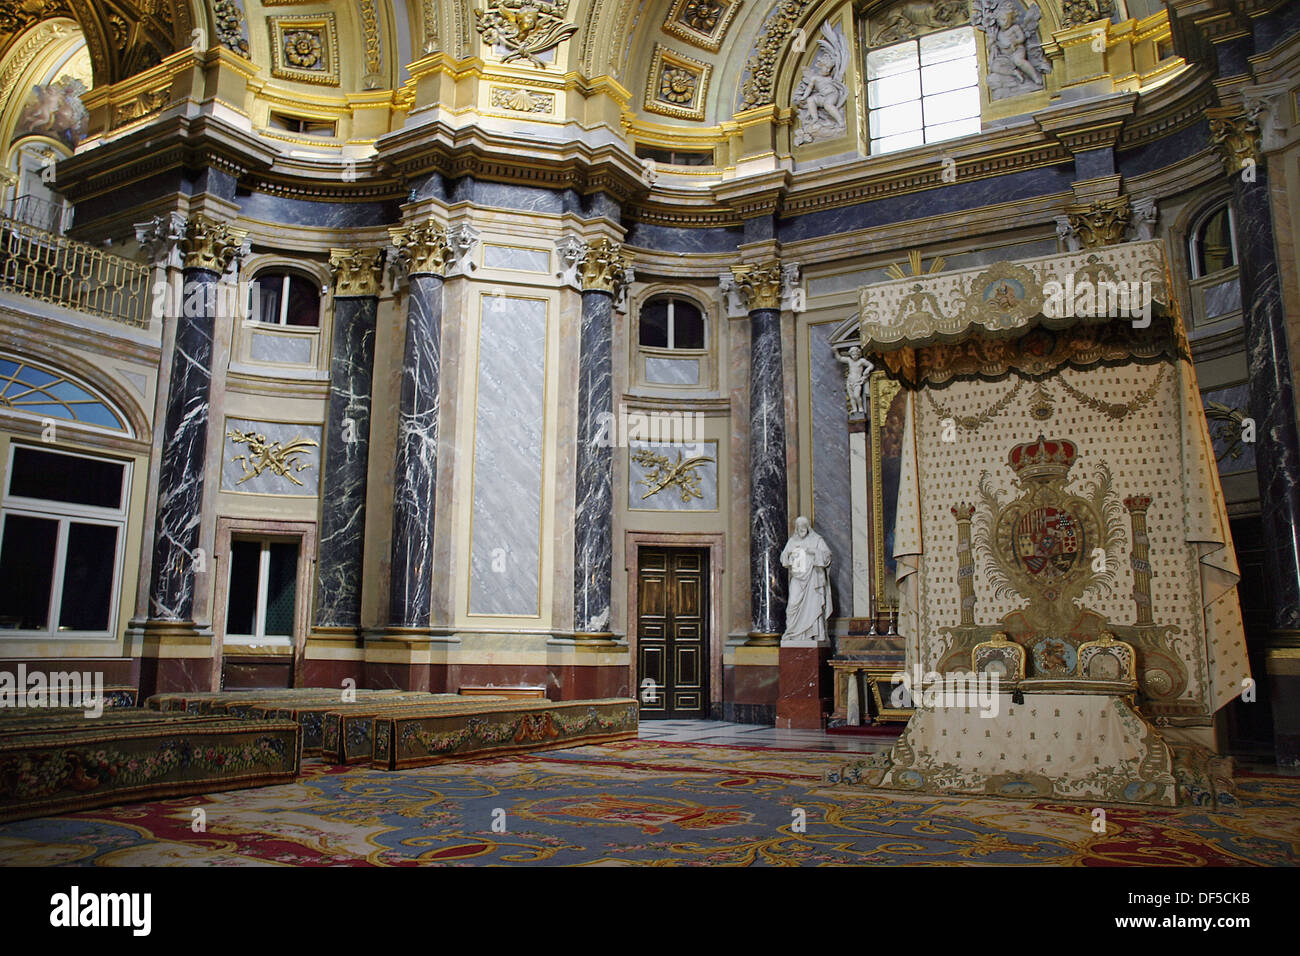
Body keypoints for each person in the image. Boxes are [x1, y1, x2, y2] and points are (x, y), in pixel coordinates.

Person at [780, 516, 833, 644]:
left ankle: (813, 634)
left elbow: (827, 556)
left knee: (813, 606)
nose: (801, 530)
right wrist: (789, 554)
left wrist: (814, 551)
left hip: (812, 579)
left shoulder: (817, 540)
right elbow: (783, 558)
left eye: (804, 527)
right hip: (798, 578)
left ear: (808, 528)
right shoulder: (792, 541)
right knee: (792, 604)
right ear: (796, 529)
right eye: (799, 528)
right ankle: (793, 633)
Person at [836, 345, 872, 415]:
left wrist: (867, 370)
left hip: (857, 381)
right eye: (852, 354)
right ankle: (855, 409)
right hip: (850, 381)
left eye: (856, 354)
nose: (854, 356)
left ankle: (861, 407)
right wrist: (835, 351)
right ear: (850, 354)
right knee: (851, 397)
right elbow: (839, 358)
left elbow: (871, 365)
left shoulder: (861, 361)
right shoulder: (849, 360)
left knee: (856, 396)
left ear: (859, 354)